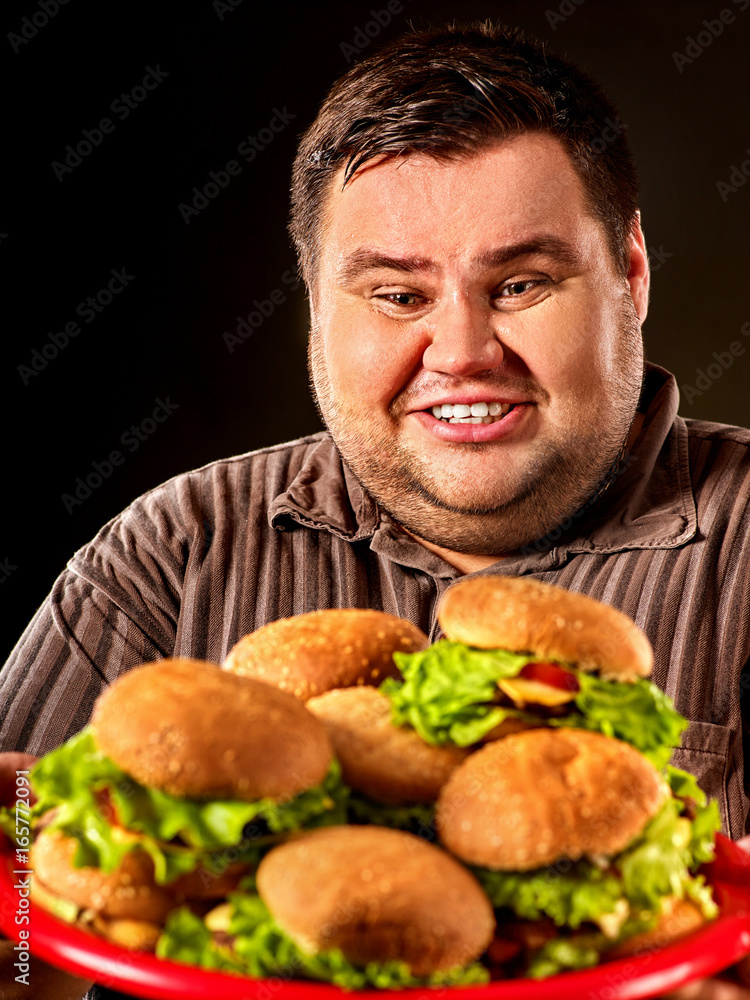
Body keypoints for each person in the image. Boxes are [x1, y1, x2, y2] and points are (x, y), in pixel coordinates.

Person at [1, 20, 750, 1000]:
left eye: (522, 284)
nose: (462, 351)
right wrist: (23, 945)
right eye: (397, 295)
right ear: (317, 306)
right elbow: (26, 910)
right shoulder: (170, 552)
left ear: (632, 273)